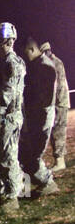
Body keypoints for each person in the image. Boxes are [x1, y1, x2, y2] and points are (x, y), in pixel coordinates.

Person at [0, 23, 25, 214]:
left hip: (8, 116)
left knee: (8, 157)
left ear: (6, 41)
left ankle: (12, 196)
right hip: (2, 115)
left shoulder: (12, 63)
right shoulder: (4, 63)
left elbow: (8, 91)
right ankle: (1, 192)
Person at [19, 37, 60, 198]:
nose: (24, 57)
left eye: (25, 53)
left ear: (31, 49)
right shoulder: (36, 66)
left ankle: (48, 182)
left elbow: (45, 99)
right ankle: (26, 190)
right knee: (24, 154)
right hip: (33, 117)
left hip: (41, 117)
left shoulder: (45, 67)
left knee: (33, 155)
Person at [40, 42, 68, 171]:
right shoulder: (54, 62)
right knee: (54, 131)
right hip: (57, 102)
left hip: (58, 102)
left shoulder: (54, 63)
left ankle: (60, 161)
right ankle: (59, 160)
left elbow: (54, 86)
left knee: (58, 131)